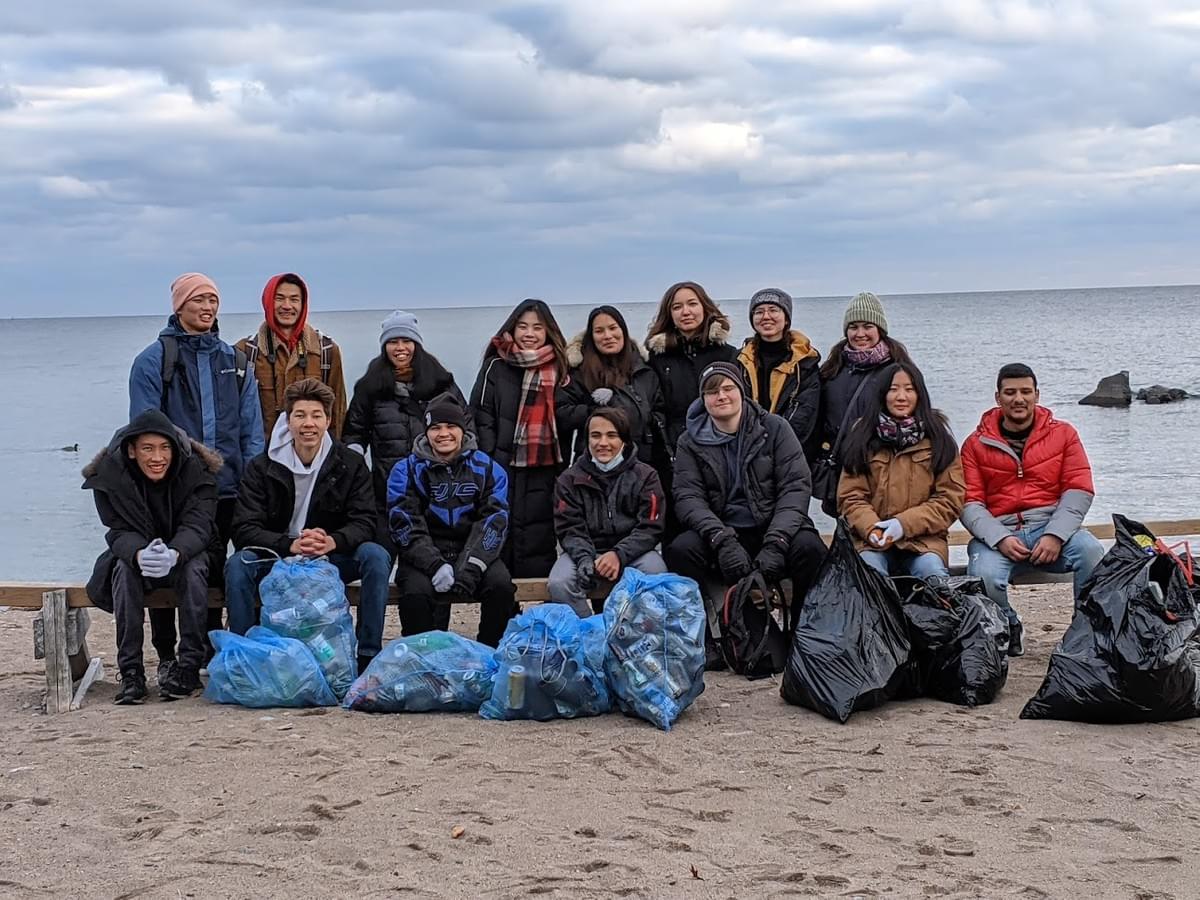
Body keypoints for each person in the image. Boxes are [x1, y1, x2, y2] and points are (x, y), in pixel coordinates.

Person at [128, 272, 264, 673]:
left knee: (216, 567)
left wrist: (254, 481)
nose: (207, 308)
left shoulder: (235, 362)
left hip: (229, 489)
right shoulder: (153, 360)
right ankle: (167, 655)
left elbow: (250, 428)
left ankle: (211, 646)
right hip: (173, 493)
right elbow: (144, 427)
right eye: (198, 300)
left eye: (213, 301)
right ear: (179, 306)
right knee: (170, 568)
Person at [665, 362, 826, 661]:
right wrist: (720, 539)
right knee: (680, 550)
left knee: (811, 550)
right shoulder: (689, 441)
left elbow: (796, 487)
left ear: (741, 391)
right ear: (703, 399)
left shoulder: (775, 428)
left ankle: (804, 632)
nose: (721, 396)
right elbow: (688, 497)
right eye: (711, 391)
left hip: (771, 525)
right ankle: (704, 639)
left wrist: (777, 542)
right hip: (724, 531)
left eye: (727, 388)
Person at [225, 379, 390, 672]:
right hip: (279, 555)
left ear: (328, 420)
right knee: (238, 564)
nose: (308, 424)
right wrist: (289, 544)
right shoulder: (262, 466)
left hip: (331, 555)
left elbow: (365, 520)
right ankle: (245, 654)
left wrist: (332, 540)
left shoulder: (349, 463)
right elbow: (243, 528)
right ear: (287, 421)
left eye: (316, 415)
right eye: (300, 415)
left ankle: (368, 656)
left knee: (376, 556)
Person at [961, 363, 1105, 657]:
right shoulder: (975, 445)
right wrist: (999, 538)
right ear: (998, 397)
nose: (1019, 399)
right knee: (983, 576)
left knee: (1090, 550)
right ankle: (1010, 625)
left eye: (1026, 391)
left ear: (1037, 395)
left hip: (1050, 526)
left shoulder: (1064, 434)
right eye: (1010, 392)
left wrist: (1055, 535)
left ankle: (1085, 631)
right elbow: (968, 502)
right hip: (999, 534)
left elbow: (1079, 489)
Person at [81, 410, 220, 703]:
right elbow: (116, 529)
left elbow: (200, 525)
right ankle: (131, 672)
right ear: (132, 451)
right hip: (138, 553)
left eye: (164, 447)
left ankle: (188, 667)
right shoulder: (109, 476)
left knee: (194, 569)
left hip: (187, 552)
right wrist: (138, 553)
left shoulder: (197, 471)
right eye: (148, 448)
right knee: (122, 570)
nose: (158, 457)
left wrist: (175, 552)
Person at [388, 393, 516, 646]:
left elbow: (494, 521)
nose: (443, 433)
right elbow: (403, 522)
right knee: (415, 593)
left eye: (451, 426)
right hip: (424, 556)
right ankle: (423, 658)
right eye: (435, 427)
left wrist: (472, 566)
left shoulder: (489, 469)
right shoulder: (406, 470)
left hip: (472, 551)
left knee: (501, 587)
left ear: (462, 430)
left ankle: (489, 652)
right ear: (426, 432)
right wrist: (434, 564)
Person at [343, 310, 468, 548]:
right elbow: (354, 433)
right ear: (384, 346)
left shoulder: (440, 381)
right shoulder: (370, 385)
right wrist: (358, 465)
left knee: (429, 560)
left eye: (406, 340)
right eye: (393, 341)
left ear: (416, 344)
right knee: (382, 554)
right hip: (386, 492)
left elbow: (465, 426)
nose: (400, 347)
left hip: (436, 491)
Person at [469, 299, 570, 578]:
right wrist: (490, 458)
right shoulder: (496, 366)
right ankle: (504, 611)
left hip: (546, 467)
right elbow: (480, 414)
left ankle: (543, 612)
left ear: (548, 331)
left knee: (541, 536)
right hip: (501, 467)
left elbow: (567, 415)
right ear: (511, 328)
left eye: (537, 327)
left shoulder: (561, 368)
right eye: (522, 326)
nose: (529, 333)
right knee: (501, 533)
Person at [836, 363, 965, 579]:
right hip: (870, 542)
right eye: (893, 389)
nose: (901, 396)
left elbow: (950, 500)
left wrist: (902, 525)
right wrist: (871, 528)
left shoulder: (939, 439)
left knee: (933, 575)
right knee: (871, 578)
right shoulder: (862, 436)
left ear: (920, 394)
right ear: (882, 394)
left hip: (924, 542)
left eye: (909, 389)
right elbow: (850, 496)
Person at [549, 408, 667, 617]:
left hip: (633, 554)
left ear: (624, 439)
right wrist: (584, 558)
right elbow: (569, 528)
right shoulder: (569, 479)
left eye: (611, 435)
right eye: (596, 436)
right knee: (559, 582)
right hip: (586, 552)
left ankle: (631, 633)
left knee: (655, 573)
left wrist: (619, 554)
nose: (603, 443)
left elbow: (650, 527)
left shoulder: (646, 476)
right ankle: (589, 635)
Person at [815, 291, 915, 515]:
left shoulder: (900, 368)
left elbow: (917, 419)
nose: (860, 333)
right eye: (853, 327)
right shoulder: (832, 369)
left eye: (867, 326)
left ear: (880, 329)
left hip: (886, 471)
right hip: (841, 472)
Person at [236, 272, 348, 443]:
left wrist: (335, 457)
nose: (287, 306)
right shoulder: (245, 352)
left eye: (294, 299)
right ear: (267, 302)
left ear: (303, 304)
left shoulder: (326, 351)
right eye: (279, 298)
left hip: (313, 456)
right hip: (263, 460)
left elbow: (337, 412)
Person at [557, 305, 663, 464]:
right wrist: (595, 410)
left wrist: (649, 421)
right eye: (599, 331)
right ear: (591, 337)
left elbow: (660, 409)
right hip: (596, 461)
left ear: (623, 331)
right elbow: (562, 412)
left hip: (644, 459)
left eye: (613, 328)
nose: (608, 336)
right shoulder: (580, 372)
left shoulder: (644, 370)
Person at [736, 288, 822, 460]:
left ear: (786, 318)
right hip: (746, 451)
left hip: (790, 452)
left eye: (773, 310)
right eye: (759, 312)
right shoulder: (740, 360)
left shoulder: (805, 363)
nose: (766, 316)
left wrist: (774, 446)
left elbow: (804, 414)